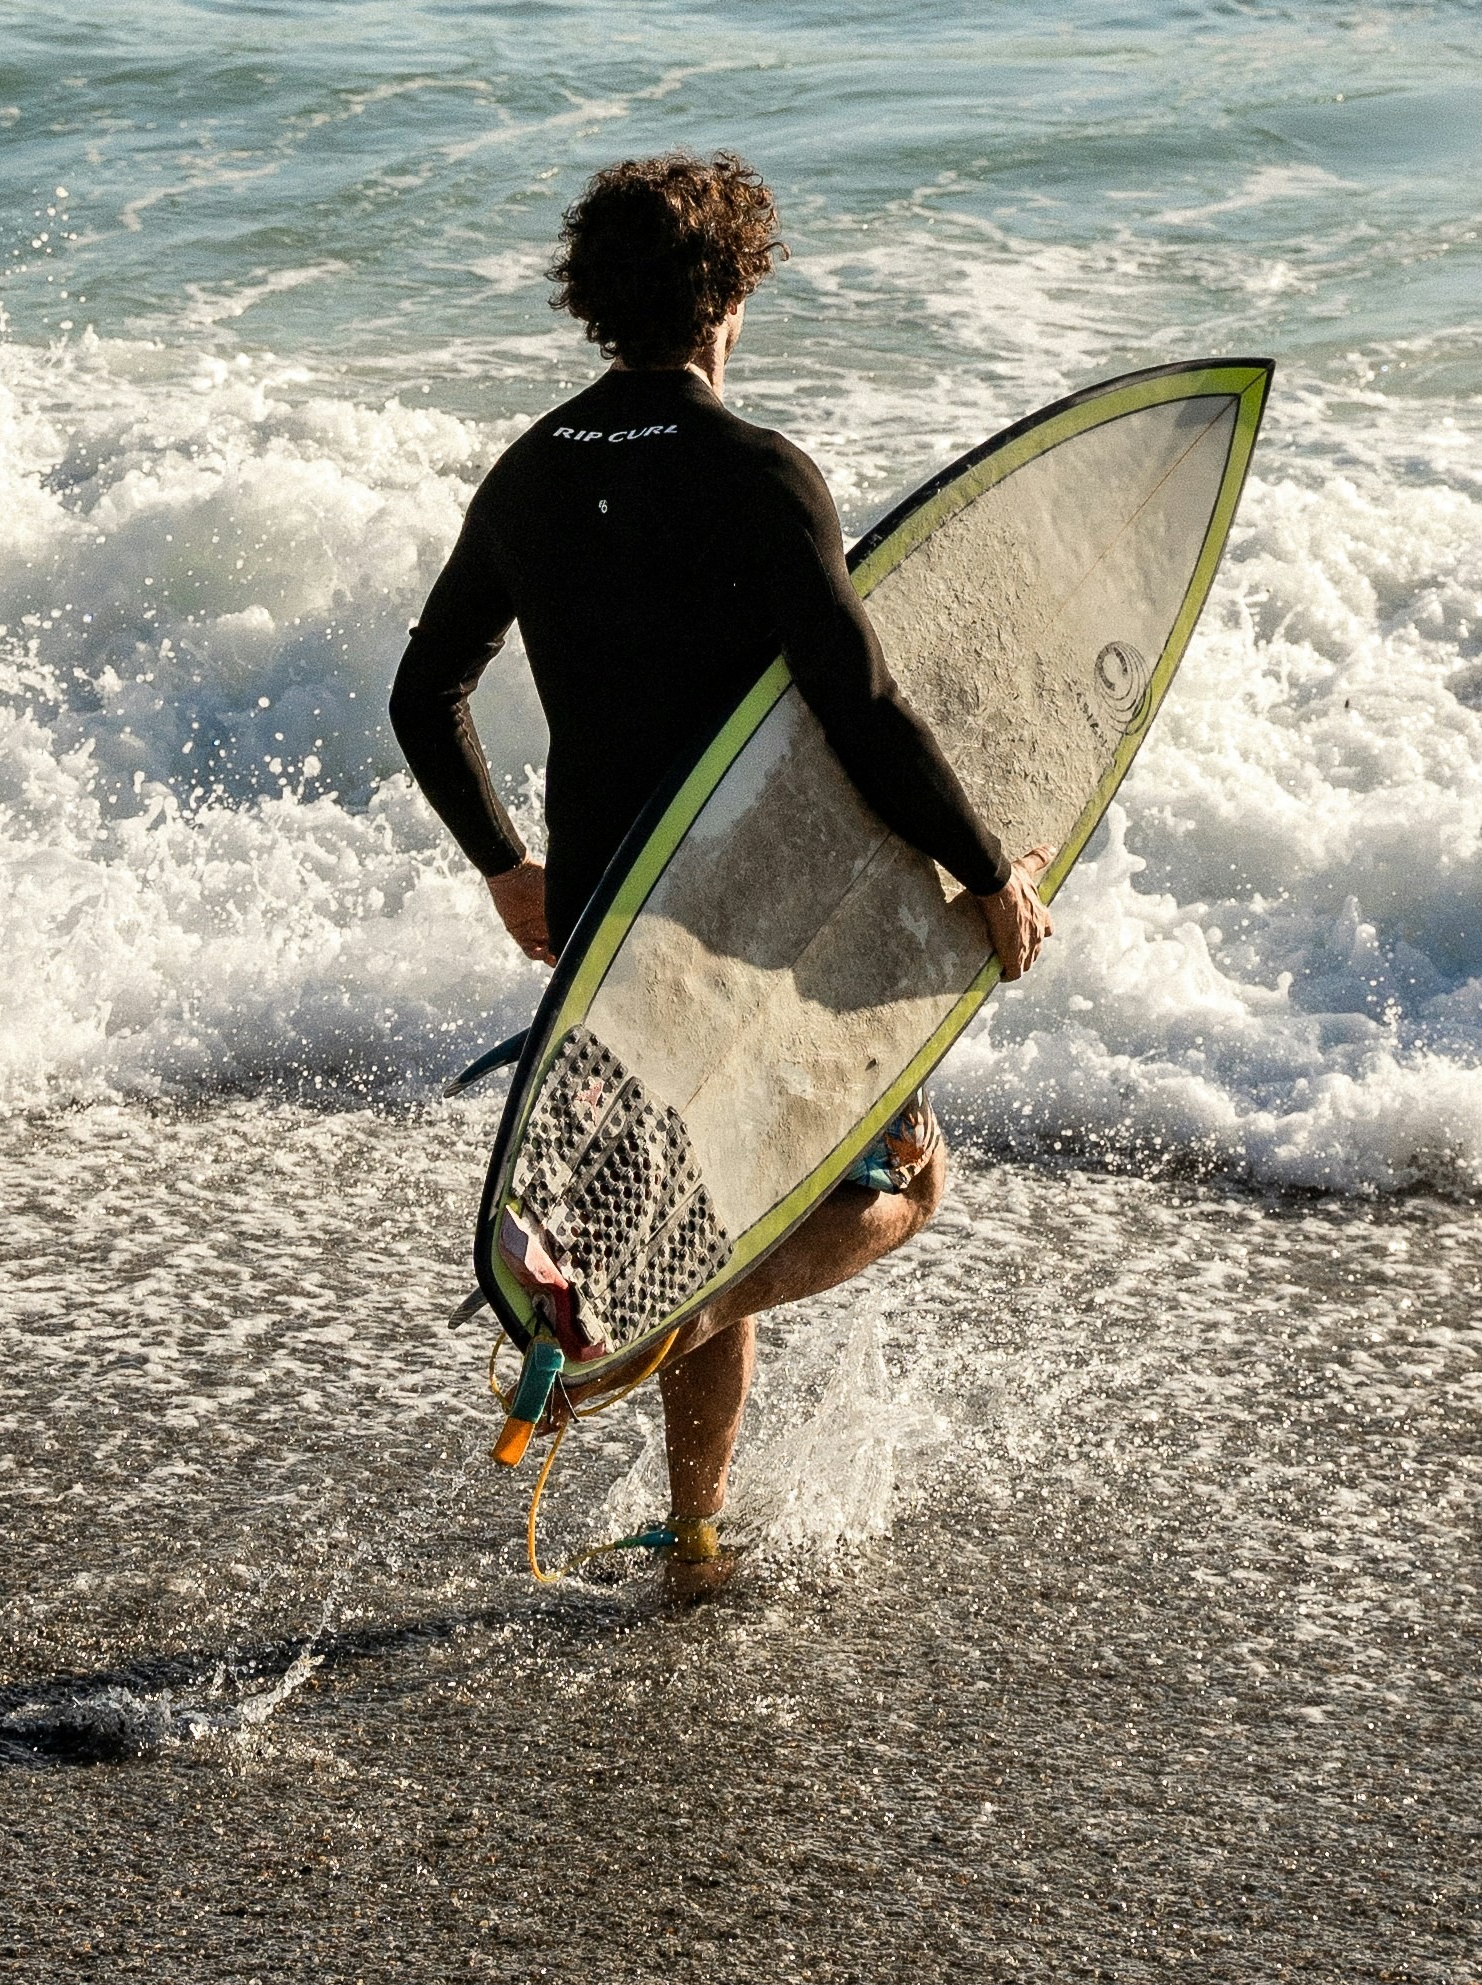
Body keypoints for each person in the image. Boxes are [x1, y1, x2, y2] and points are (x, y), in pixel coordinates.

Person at [389, 151, 1054, 1604]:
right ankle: (661, 1320)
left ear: (595, 300)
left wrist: (508, 869)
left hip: (608, 927)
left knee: (702, 1189)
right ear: (730, 294)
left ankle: (694, 1532)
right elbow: (858, 705)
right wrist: (985, 869)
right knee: (907, 1185)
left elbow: (423, 694)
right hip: (755, 928)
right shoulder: (757, 473)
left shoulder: (530, 472)